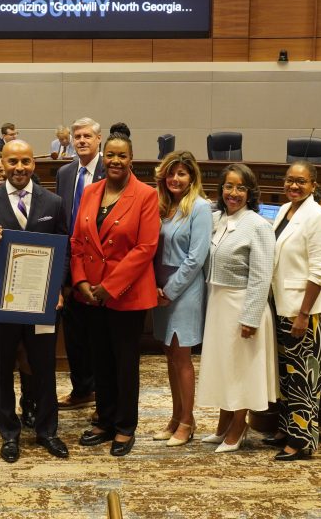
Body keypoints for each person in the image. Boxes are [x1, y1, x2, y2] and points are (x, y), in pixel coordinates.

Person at [0, 139, 69, 463]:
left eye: (25, 161)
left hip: (41, 303)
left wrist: (58, 288)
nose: (20, 168)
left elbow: (64, 253)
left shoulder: (52, 202)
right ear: (3, 166)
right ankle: (9, 434)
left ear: (33, 164)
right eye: (13, 162)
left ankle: (47, 431)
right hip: (1, 302)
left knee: (43, 369)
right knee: (1, 368)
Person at [71, 133, 159, 457]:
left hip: (126, 295)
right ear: (103, 157)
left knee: (124, 364)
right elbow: (78, 241)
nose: (115, 161)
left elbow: (145, 248)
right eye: (110, 155)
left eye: (122, 155)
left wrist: (110, 287)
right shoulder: (91, 191)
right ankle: (104, 419)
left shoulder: (146, 195)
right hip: (90, 295)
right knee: (101, 361)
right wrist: (80, 281)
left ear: (132, 158)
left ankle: (124, 426)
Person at [197, 164, 277, 455]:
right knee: (223, 366)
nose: (233, 193)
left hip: (243, 304)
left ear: (250, 192)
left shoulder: (257, 225)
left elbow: (261, 275)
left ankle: (238, 426)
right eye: (228, 186)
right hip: (219, 304)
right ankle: (223, 424)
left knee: (241, 369)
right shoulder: (216, 218)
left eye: (240, 188)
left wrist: (251, 316)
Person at [265, 161, 321, 461]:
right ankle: (286, 428)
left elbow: (319, 269)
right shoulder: (284, 211)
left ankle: (303, 441)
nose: (294, 186)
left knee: (305, 377)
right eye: (290, 180)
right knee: (287, 375)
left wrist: (304, 313)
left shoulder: (317, 216)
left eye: (301, 182)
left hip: (306, 311)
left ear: (313, 184)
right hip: (283, 304)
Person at [151, 151, 209, 447]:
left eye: (182, 174)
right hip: (159, 289)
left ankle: (187, 422)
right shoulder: (162, 206)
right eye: (171, 173)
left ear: (192, 178)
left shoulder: (200, 208)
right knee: (170, 356)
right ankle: (176, 417)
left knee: (182, 357)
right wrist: (154, 288)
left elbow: (196, 258)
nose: (175, 179)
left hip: (184, 290)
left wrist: (169, 290)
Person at [55, 117, 104, 411]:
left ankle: (102, 389)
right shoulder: (64, 172)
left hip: (98, 261)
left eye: (87, 136)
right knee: (73, 333)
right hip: (69, 259)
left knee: (98, 332)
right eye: (77, 136)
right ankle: (82, 389)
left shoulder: (108, 170)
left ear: (99, 140)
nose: (82, 140)